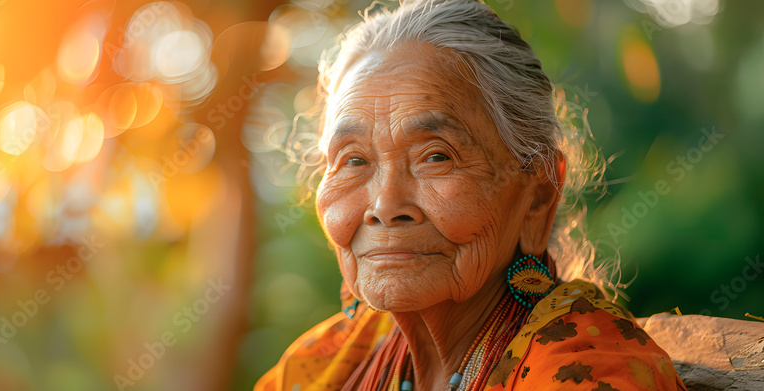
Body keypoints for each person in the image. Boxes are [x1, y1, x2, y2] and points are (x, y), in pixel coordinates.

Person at [255, 0, 687, 390]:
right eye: (353, 161)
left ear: (537, 196)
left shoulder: (586, 373)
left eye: (436, 156)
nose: (385, 206)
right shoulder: (324, 363)